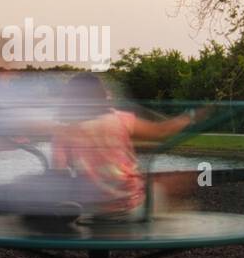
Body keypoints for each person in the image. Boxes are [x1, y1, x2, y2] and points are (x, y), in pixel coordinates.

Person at [50, 73, 203, 221]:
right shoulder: (121, 120)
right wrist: (190, 116)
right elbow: (161, 131)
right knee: (167, 187)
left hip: (91, 207)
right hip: (131, 206)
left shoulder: (62, 132)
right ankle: (173, 225)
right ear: (101, 95)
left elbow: (59, 175)